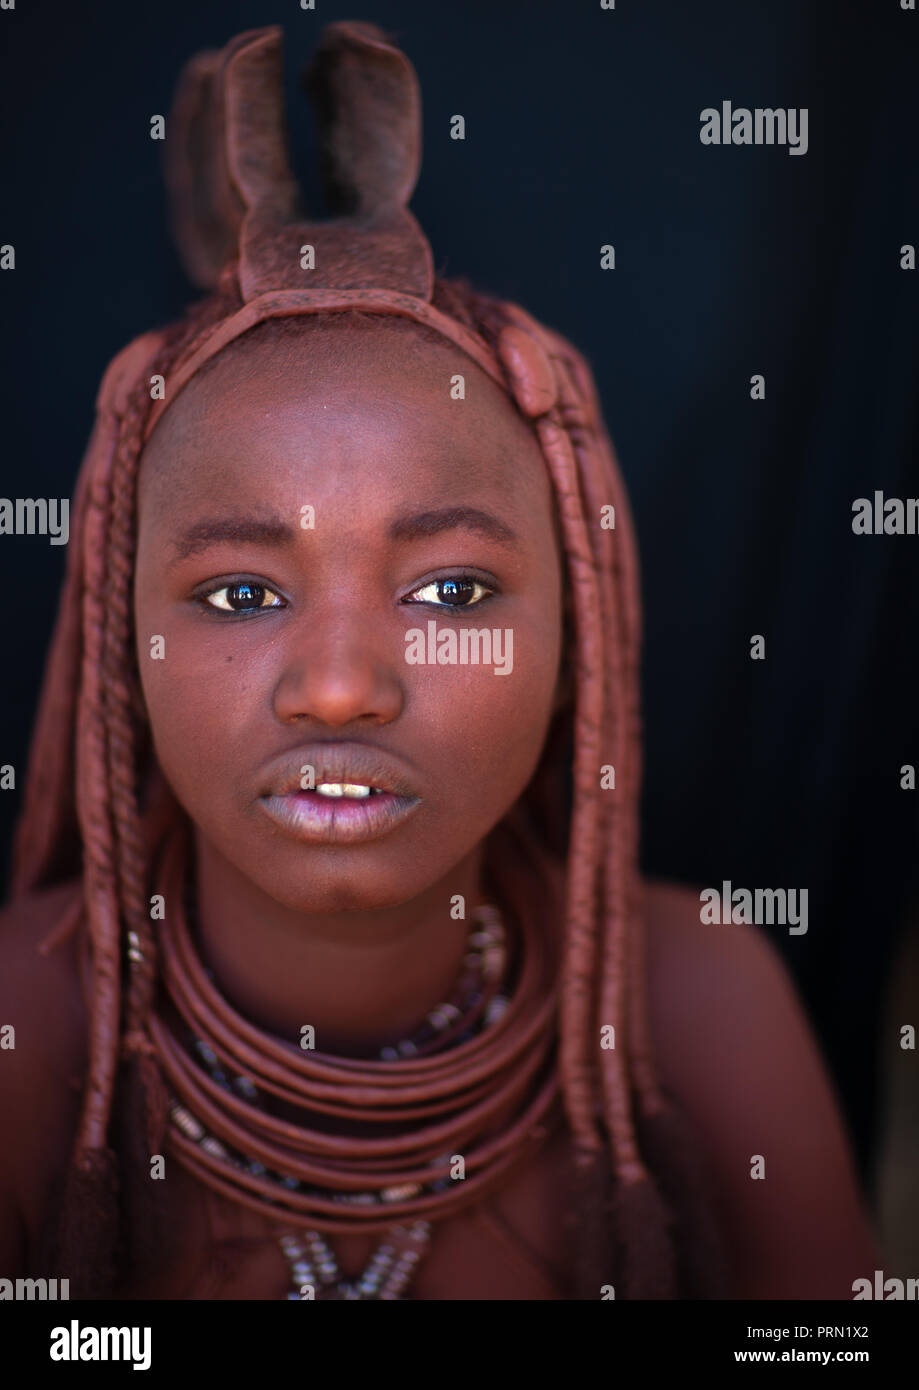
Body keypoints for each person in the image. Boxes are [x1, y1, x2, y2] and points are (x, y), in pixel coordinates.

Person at [0, 21, 880, 1300]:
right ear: (120, 652)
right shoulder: (29, 1037)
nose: (343, 686)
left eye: (450, 589)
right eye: (239, 592)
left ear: (577, 634)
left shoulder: (700, 1004)